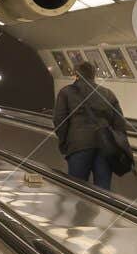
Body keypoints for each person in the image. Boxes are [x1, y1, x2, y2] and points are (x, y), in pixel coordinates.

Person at [53, 59, 131, 191]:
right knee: (103, 191)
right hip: (105, 147)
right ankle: (103, 211)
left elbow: (60, 120)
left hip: (78, 146)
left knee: (77, 189)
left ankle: (81, 211)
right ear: (94, 75)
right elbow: (119, 123)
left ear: (76, 75)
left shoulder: (66, 93)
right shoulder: (107, 93)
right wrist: (117, 145)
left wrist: (65, 143)